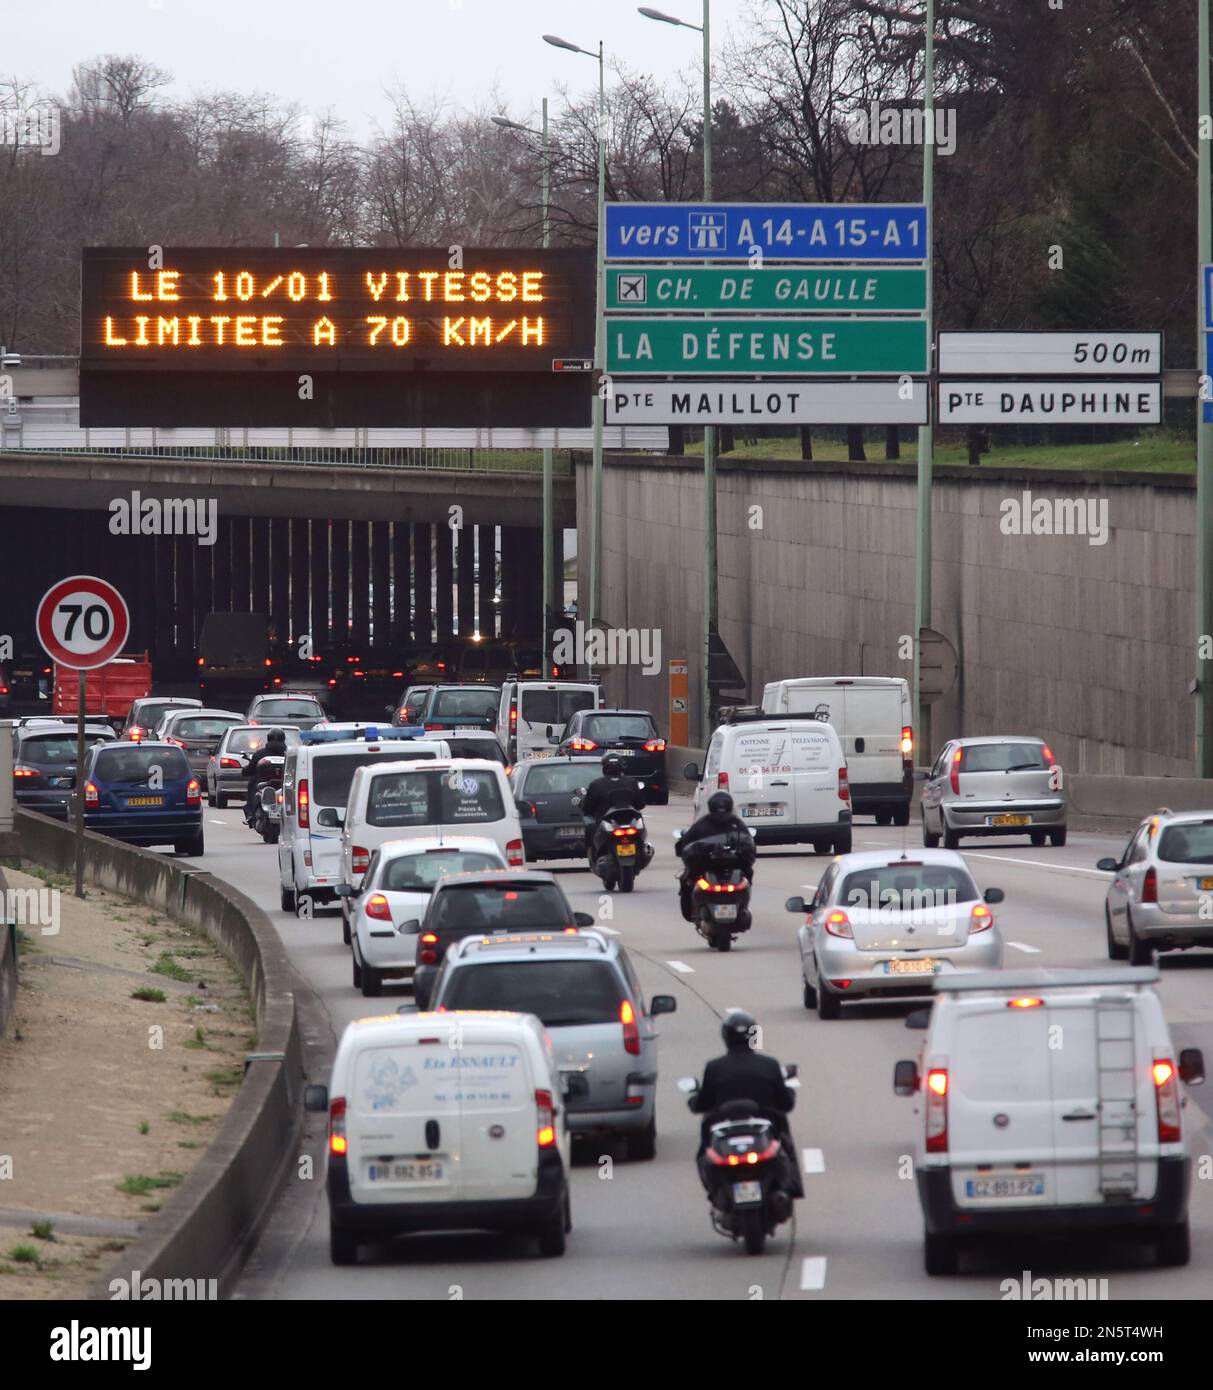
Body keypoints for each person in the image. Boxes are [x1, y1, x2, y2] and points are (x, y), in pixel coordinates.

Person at [689, 1008, 804, 1200]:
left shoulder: (714, 1067)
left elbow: (702, 1102)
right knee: (785, 1142)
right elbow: (786, 1104)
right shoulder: (770, 1064)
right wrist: (789, 1092)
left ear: (726, 1036)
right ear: (753, 1035)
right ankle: (791, 1186)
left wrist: (693, 1100)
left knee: (704, 1150)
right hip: (761, 1131)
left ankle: (714, 1191)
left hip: (727, 1131)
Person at [675, 790, 756, 921]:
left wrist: (744, 852)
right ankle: (694, 909)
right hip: (707, 866)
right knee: (687, 880)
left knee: (747, 873)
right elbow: (686, 844)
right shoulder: (730, 823)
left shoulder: (733, 824)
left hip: (730, 867)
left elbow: (748, 845)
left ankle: (741, 906)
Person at [581, 753, 645, 855]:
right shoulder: (631, 782)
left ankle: (592, 853)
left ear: (604, 768)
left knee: (590, 828)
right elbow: (640, 804)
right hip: (624, 825)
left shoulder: (596, 784)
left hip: (612, 825)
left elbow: (587, 808)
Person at [243, 727, 286, 822]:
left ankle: (250, 813)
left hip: (266, 785)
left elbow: (250, 770)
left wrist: (245, 770)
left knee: (252, 782)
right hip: (283, 784)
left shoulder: (259, 753)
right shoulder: (288, 753)